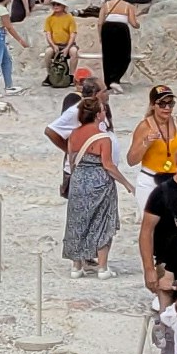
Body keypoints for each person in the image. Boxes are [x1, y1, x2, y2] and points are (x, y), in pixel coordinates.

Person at [60, 89, 123, 277]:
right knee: (103, 221)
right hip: (100, 182)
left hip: (79, 180)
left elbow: (71, 160)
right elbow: (108, 165)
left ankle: (76, 266)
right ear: (97, 115)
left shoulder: (73, 134)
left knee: (77, 221)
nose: (105, 113)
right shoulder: (103, 138)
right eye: (103, 110)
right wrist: (127, 184)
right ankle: (102, 267)